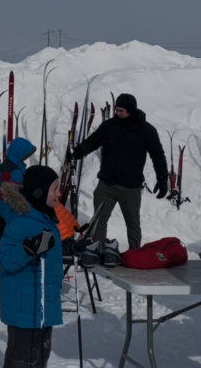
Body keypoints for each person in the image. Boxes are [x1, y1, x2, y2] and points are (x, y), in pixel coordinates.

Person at [70, 93, 168, 251]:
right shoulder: (109, 126)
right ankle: (98, 252)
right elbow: (93, 141)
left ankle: (134, 254)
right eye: (116, 110)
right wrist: (77, 152)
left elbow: (157, 155)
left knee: (133, 224)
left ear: (131, 110)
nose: (117, 113)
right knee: (99, 221)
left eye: (121, 111)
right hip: (106, 184)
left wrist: (162, 178)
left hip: (130, 187)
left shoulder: (146, 130)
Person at [0, 165, 64, 368]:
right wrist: (28, 248)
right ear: (38, 193)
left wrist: (71, 248)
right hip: (24, 306)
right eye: (54, 189)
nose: (59, 193)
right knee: (22, 362)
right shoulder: (21, 222)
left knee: (40, 357)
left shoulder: (45, 217)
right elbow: (4, 257)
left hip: (43, 304)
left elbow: (50, 250)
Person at [0, 137, 37, 223]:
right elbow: (15, 194)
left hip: (0, 209)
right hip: (10, 213)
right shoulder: (15, 170)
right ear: (20, 153)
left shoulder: (5, 166)